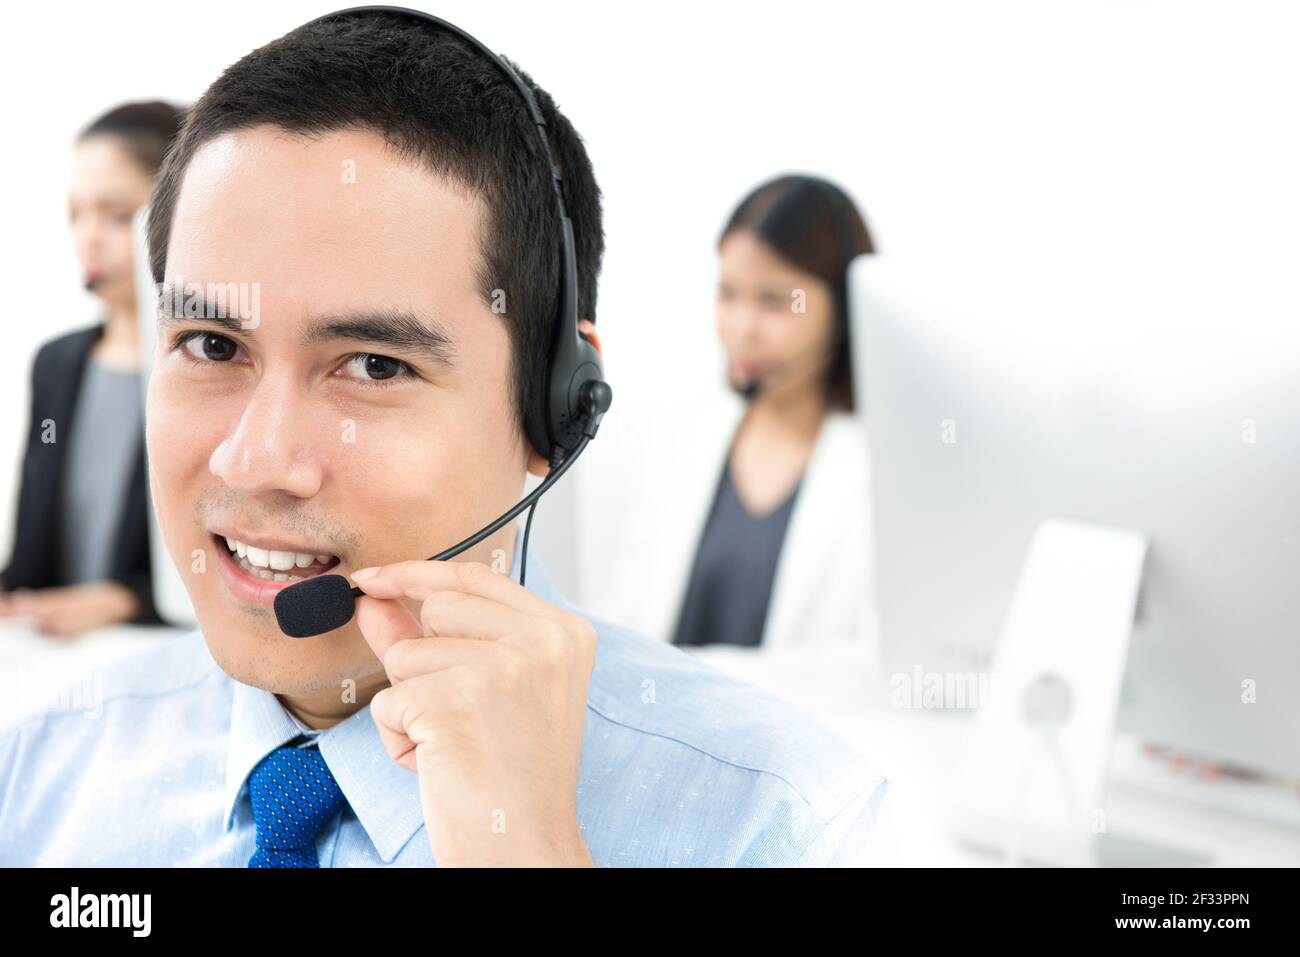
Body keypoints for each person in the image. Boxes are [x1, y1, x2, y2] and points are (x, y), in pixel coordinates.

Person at [0, 10, 885, 867]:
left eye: (374, 365)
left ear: (556, 410)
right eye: (212, 345)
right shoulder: (39, 770)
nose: (255, 461)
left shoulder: (784, 826)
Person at [667, 175, 879, 652]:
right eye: (727, 294)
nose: (741, 328)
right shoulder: (685, 440)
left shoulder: (875, 471)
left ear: (845, 307)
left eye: (774, 301)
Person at [0, 101, 184, 634]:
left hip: (155, 649)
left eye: (119, 215)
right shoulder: (57, 363)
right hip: (55, 652)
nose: (89, 237)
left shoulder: (211, 368)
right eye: (75, 214)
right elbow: (32, 551)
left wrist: (128, 600)